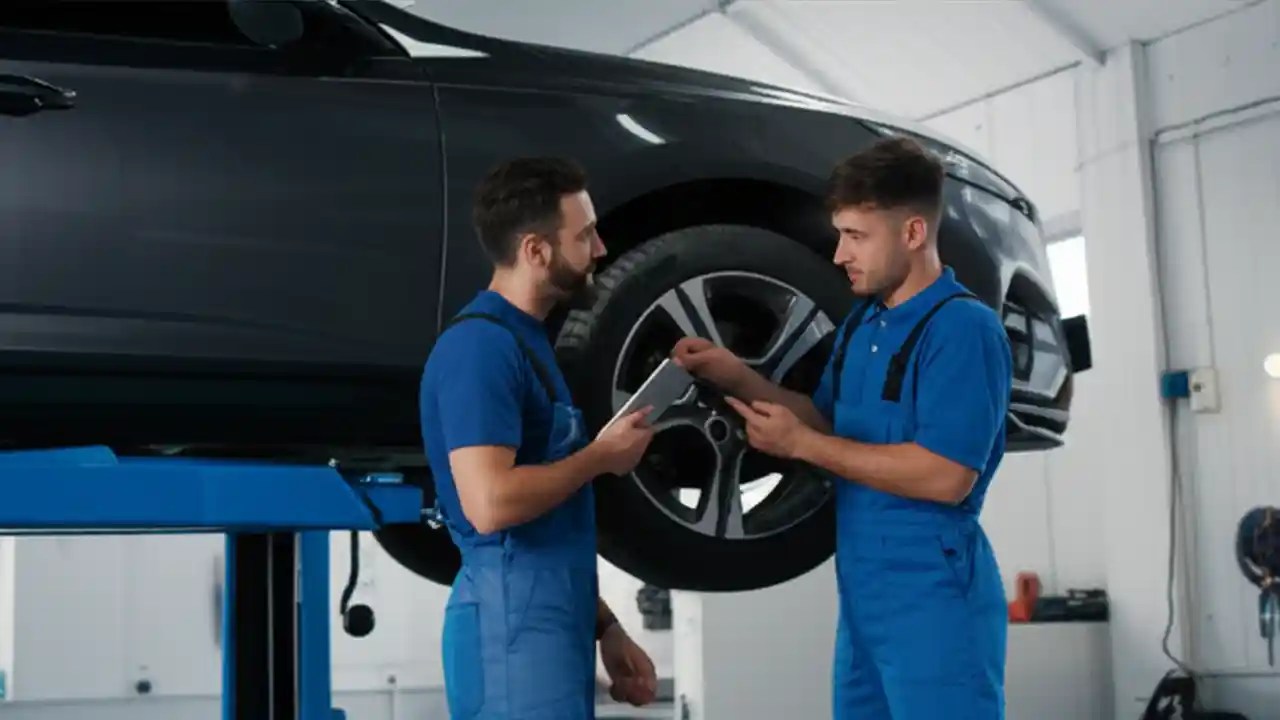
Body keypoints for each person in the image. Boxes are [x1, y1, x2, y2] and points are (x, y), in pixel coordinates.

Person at [672, 136, 1013, 719]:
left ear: (912, 233)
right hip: (862, 595)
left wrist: (804, 445)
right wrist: (738, 376)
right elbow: (825, 423)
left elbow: (946, 474)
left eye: (856, 236)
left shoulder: (962, 329)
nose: (838, 255)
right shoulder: (864, 325)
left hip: (935, 592)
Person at [420, 156, 659, 719]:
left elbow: (548, 529)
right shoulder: (481, 348)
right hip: (511, 624)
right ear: (536, 250)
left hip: (546, 618)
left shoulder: (527, 343)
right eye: (585, 235)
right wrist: (600, 457)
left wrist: (606, 625)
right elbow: (491, 504)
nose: (600, 248)